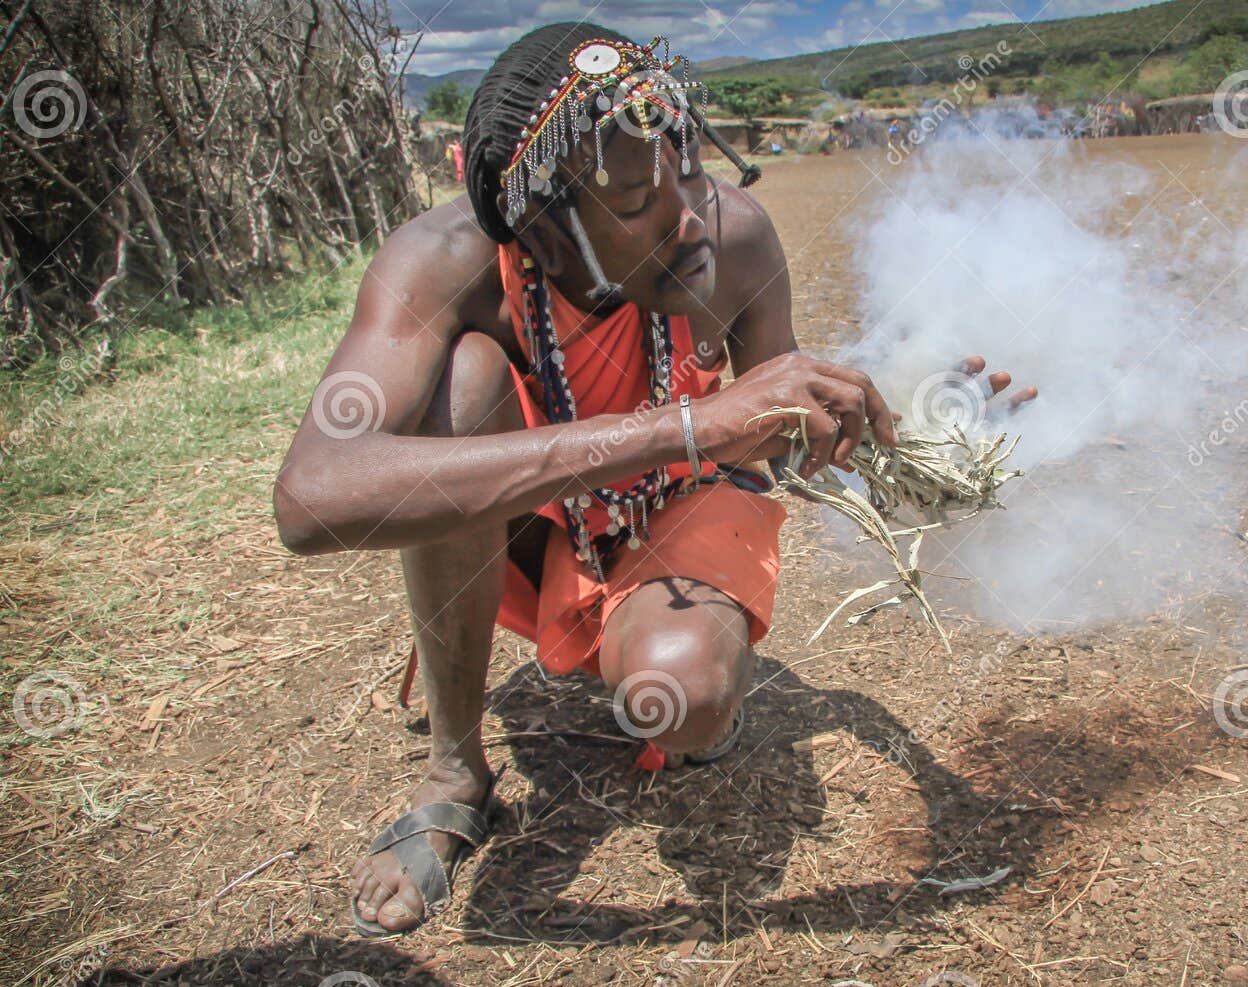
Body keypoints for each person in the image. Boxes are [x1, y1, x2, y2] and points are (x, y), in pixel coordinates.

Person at [272, 22, 1032, 936]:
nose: (684, 216)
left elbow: (771, 444)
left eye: (687, 168)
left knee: (682, 702)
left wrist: (902, 430)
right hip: (528, 514)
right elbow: (312, 498)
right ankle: (455, 771)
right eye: (636, 196)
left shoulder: (733, 238)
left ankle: (674, 629)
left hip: (681, 497)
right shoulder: (445, 264)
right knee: (469, 382)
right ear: (544, 230)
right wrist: (682, 425)